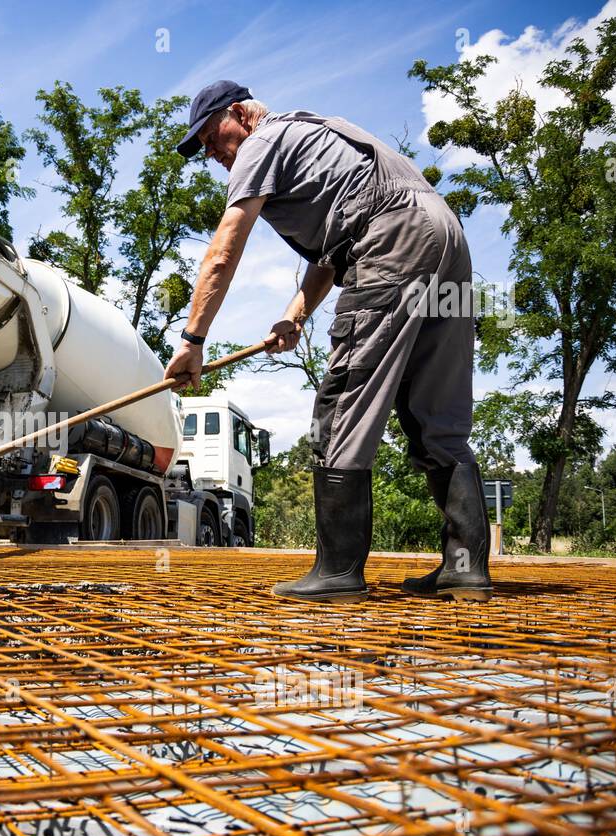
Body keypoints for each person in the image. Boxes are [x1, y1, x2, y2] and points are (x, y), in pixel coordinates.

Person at [164, 81, 492, 603]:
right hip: (443, 237)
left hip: (392, 240)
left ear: (240, 114)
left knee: (341, 405)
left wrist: (193, 340)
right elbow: (331, 254)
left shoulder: (259, 144)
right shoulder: (318, 133)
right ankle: (465, 568)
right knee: (436, 415)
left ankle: (338, 572)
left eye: (211, 135)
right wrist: (294, 316)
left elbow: (224, 249)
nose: (211, 152)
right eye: (203, 147)